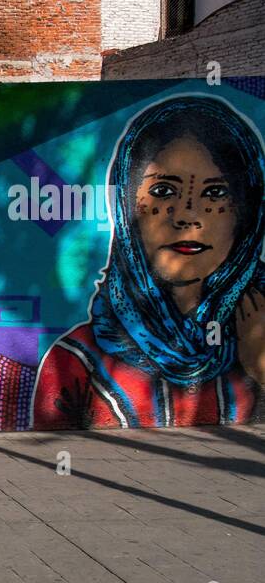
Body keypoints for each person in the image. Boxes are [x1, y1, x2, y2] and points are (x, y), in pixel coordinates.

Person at [34, 95, 265, 429]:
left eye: (215, 194)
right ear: (128, 204)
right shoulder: (76, 360)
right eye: (162, 191)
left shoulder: (254, 329)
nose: (187, 215)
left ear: (246, 213)